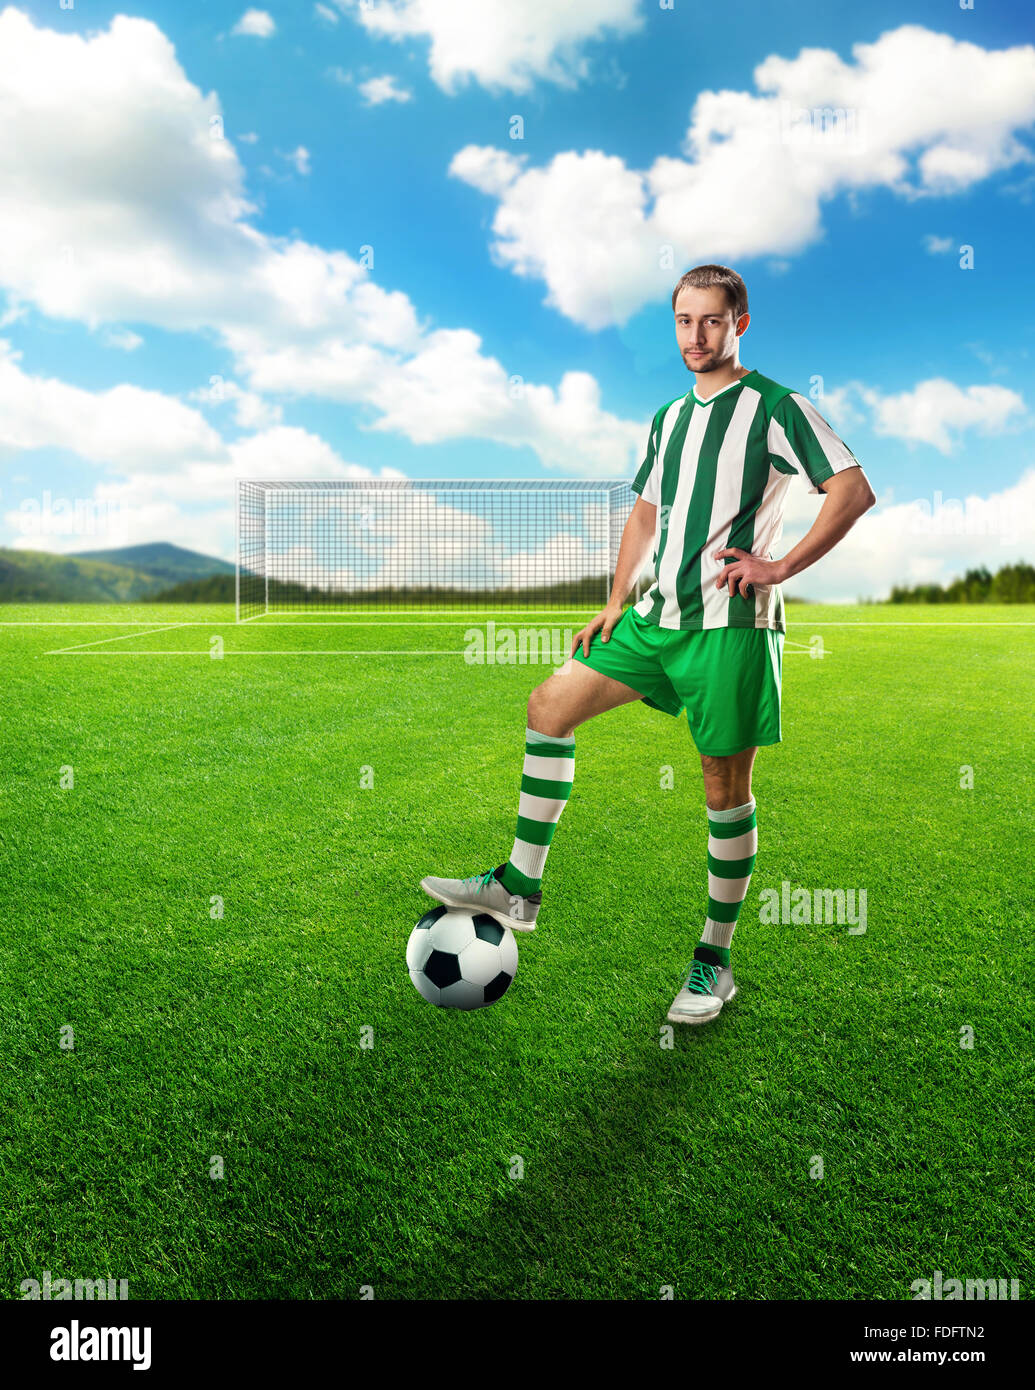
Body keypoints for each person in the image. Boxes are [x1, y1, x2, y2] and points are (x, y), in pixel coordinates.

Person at [421, 263, 876, 1025]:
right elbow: (645, 512)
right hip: (651, 621)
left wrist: (779, 565)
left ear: (740, 324)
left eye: (711, 321)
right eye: (682, 321)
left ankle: (713, 964)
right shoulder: (667, 418)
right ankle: (518, 888)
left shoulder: (775, 406)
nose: (695, 337)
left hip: (727, 627)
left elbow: (851, 489)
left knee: (721, 793)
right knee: (548, 705)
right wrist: (615, 598)